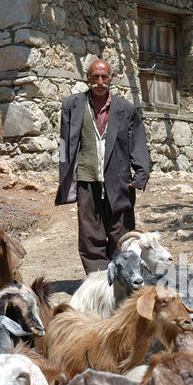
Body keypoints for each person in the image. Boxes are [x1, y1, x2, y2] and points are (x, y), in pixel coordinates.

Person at [54, 58, 152, 274]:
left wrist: (140, 175)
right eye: (95, 77)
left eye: (104, 77)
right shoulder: (72, 106)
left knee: (121, 233)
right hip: (87, 179)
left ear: (111, 78)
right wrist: (65, 173)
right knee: (90, 234)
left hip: (119, 180)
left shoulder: (125, 109)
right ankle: (98, 279)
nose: (100, 82)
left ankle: (122, 277)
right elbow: (64, 143)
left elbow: (137, 141)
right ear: (87, 78)